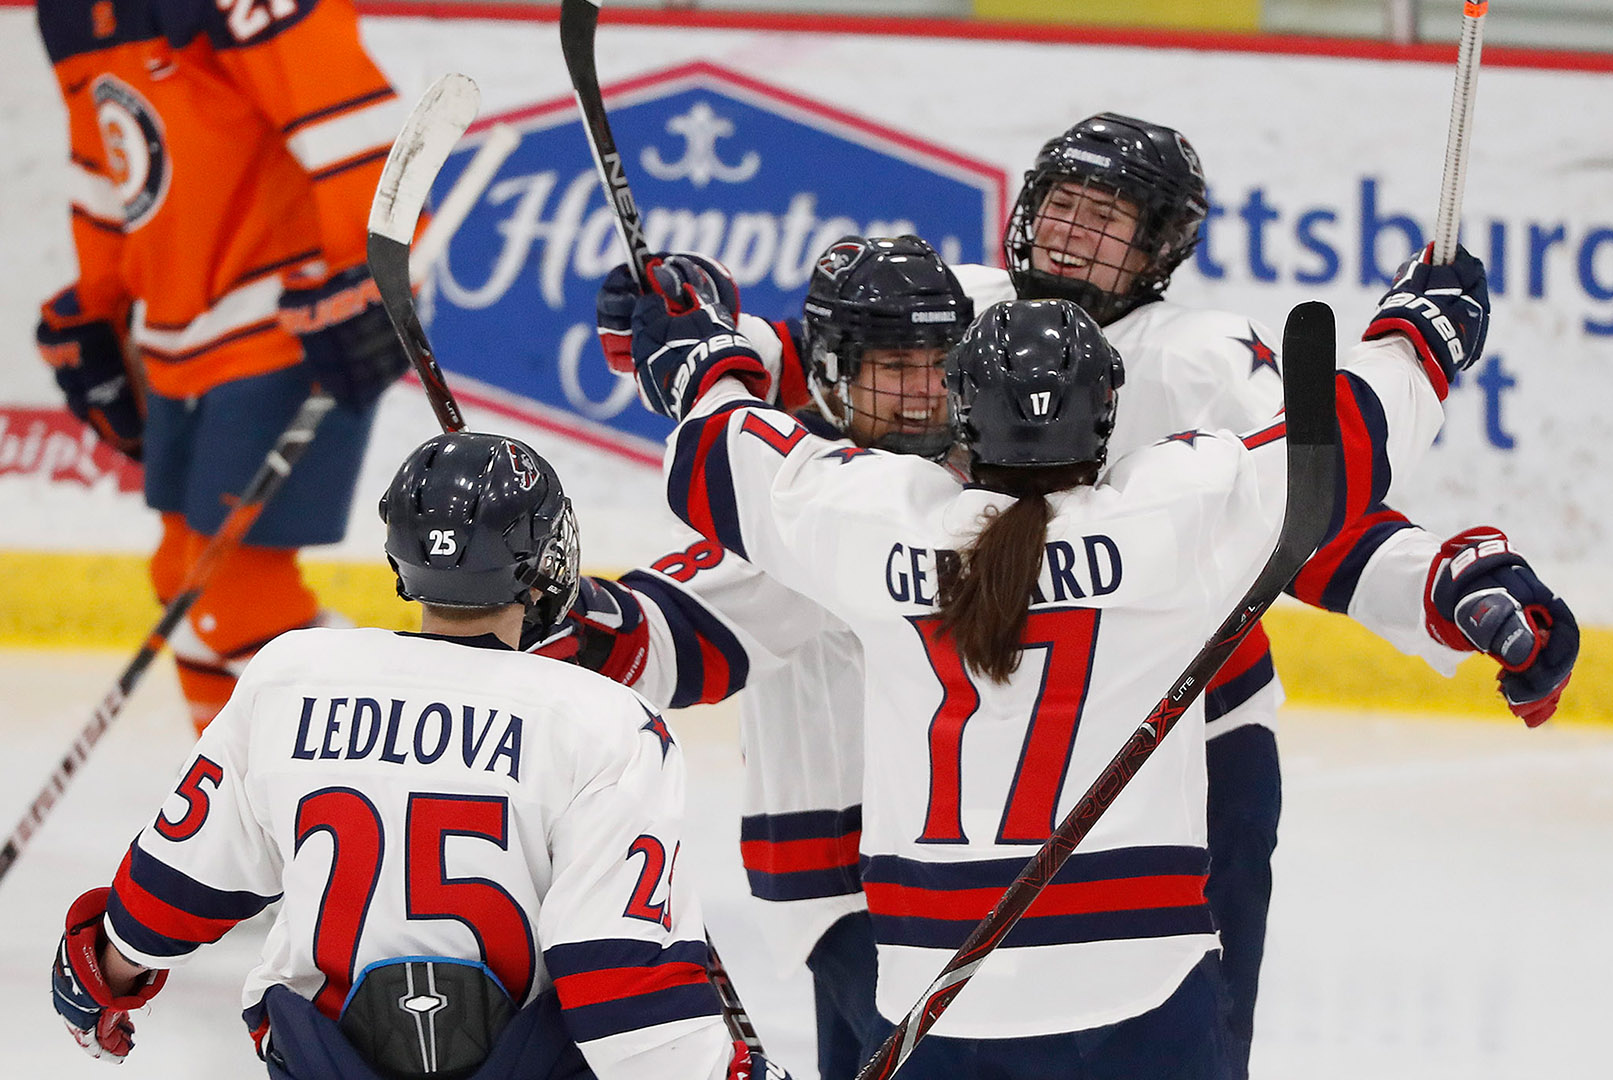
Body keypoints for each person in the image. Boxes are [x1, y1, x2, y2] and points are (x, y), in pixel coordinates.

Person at [620, 280, 1555, 1076]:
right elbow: (1341, 446)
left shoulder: (882, 525)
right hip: (1138, 988)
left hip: (937, 995)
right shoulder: (1173, 517)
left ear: (960, 407)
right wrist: (1421, 333)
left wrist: (706, 364)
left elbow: (724, 458)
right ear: (1108, 414)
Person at [48, 431, 787, 1080]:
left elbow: (182, 879)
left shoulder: (289, 678)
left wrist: (105, 971)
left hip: (319, 1057)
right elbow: (620, 985)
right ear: (547, 557)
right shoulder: (607, 724)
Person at [548, 235, 972, 1080]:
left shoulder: (959, 469)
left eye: (940, 363)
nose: (925, 392)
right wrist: (550, 609)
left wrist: (706, 335)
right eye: (896, 365)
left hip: (956, 874)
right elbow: (664, 635)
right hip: (857, 885)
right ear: (830, 371)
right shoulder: (818, 505)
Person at [33, 0, 412, 731]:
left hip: (284, 327)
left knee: (237, 587)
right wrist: (98, 302)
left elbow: (339, 109)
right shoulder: (72, 13)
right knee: (182, 576)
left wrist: (373, 271)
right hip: (176, 336)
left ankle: (389, 766)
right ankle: (234, 804)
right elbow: (106, 157)